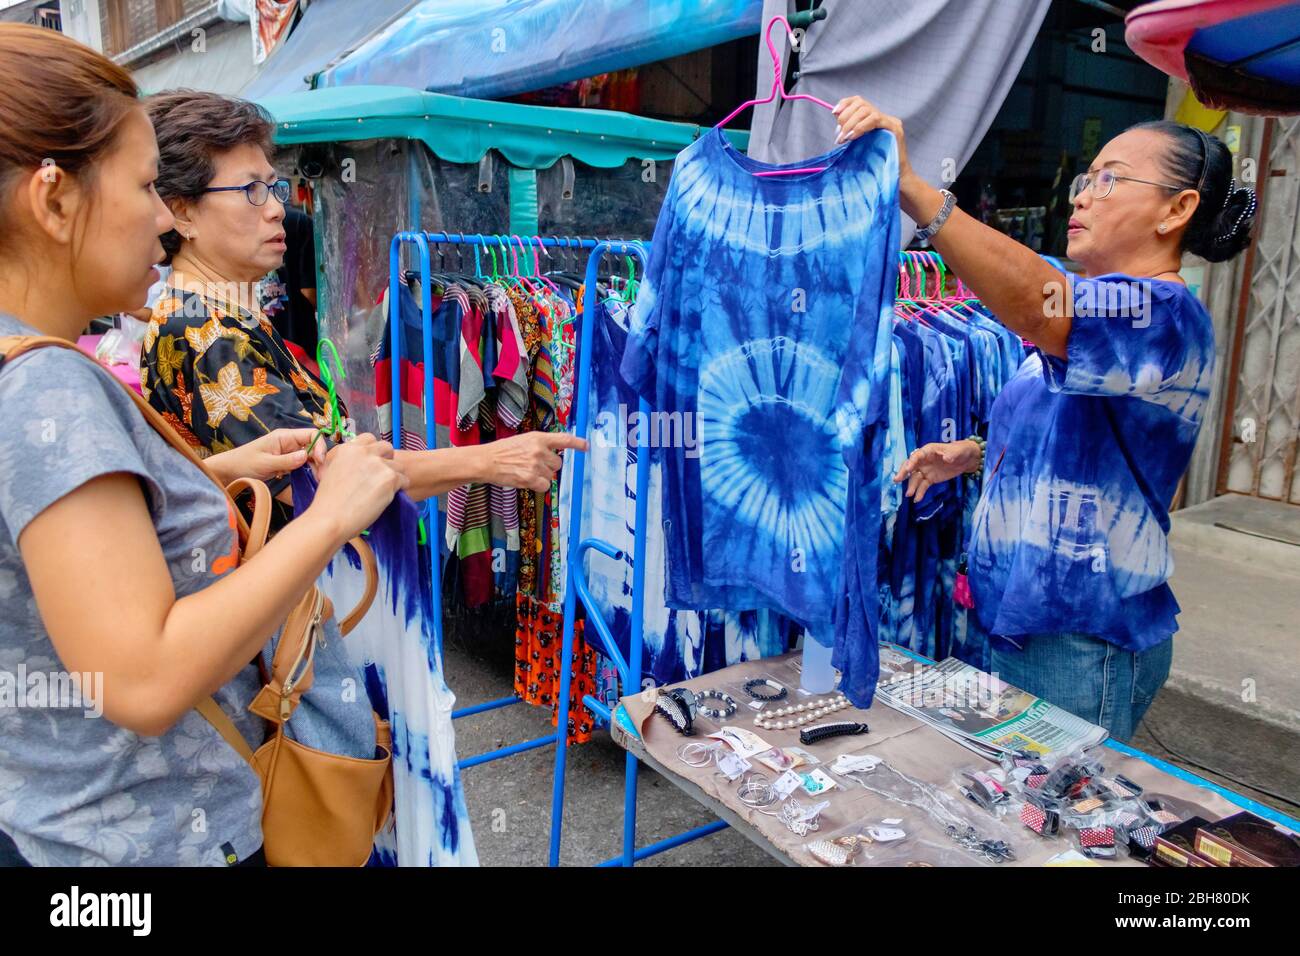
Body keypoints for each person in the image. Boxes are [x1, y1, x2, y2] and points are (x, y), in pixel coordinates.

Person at [0, 24, 406, 865]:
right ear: (53, 200)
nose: (162, 217)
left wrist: (202, 473)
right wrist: (329, 520)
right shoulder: (46, 385)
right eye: (147, 187)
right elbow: (142, 680)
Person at [834, 97, 1257, 743]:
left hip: (1081, 635)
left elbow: (1037, 306)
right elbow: (1073, 426)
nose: (1082, 197)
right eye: (1086, 179)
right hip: (1023, 614)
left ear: (1177, 209)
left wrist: (919, 194)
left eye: (1110, 179)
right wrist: (973, 452)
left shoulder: (1165, 315)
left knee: (1059, 826)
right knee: (1018, 810)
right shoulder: (1090, 317)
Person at [139, 90, 579, 515]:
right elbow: (327, 479)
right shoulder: (204, 332)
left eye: (275, 188)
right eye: (252, 190)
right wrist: (492, 461)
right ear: (182, 213)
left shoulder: (218, 315)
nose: (275, 210)